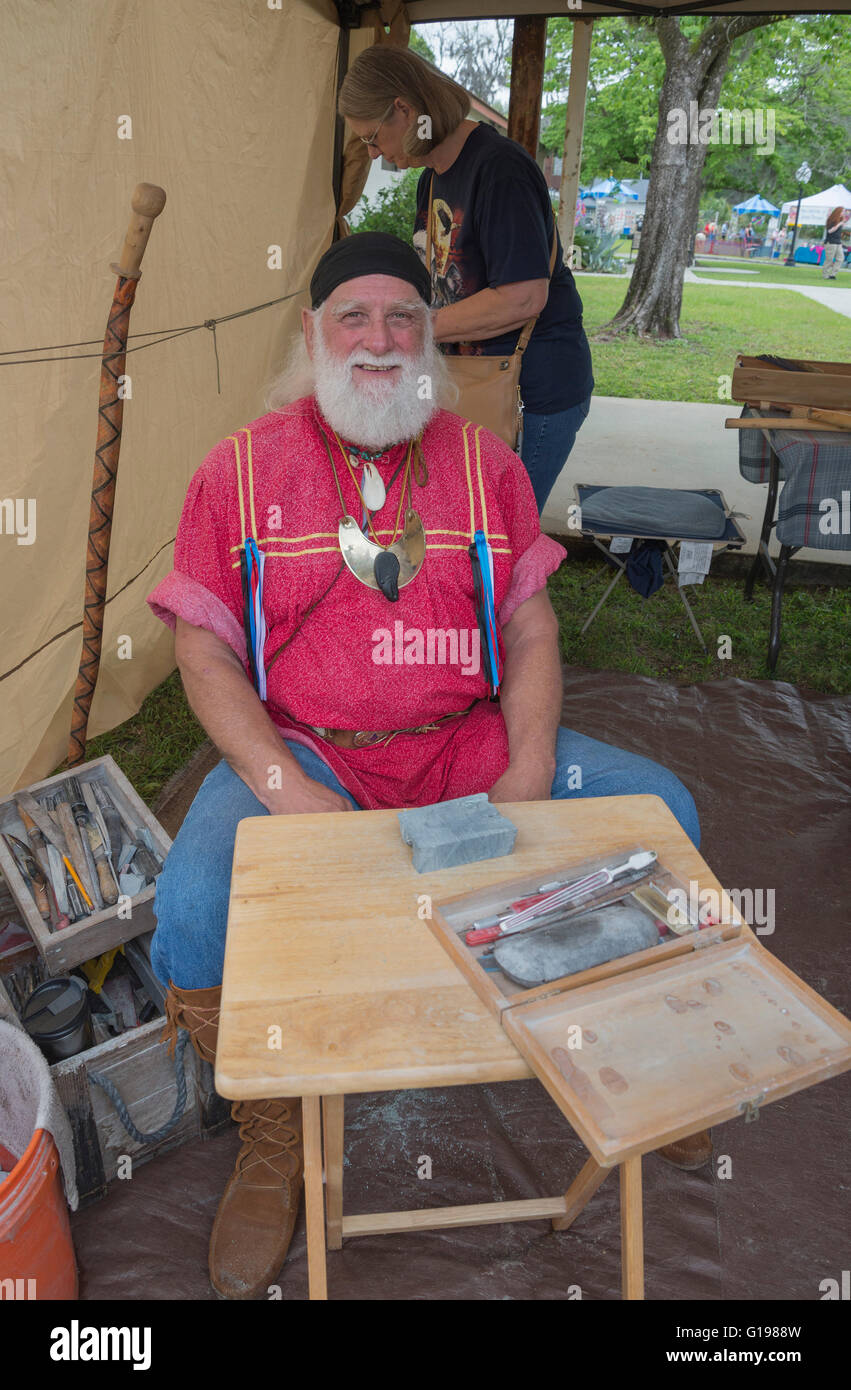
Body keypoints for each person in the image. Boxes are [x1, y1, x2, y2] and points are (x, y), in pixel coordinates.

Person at [145, 233, 703, 1300]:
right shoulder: (240, 469)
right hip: (307, 752)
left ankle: (631, 1058)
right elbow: (202, 646)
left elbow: (530, 626)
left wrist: (529, 759)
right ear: (312, 336)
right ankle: (272, 1137)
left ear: (428, 339)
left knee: (661, 811)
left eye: (402, 316)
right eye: (351, 317)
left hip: (466, 743)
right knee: (195, 898)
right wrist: (279, 786)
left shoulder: (484, 463)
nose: (378, 338)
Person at [338, 46, 594, 516]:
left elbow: (523, 296)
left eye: (373, 138)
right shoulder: (432, 177)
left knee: (502, 541)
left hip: (532, 393)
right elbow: (441, 281)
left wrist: (416, 328)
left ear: (405, 109)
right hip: (479, 383)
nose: (374, 155)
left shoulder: (500, 170)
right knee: (465, 531)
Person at [822, 207, 849, 279]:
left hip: (838, 242)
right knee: (829, 259)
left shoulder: (840, 220)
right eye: (842, 212)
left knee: (840, 258)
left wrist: (842, 222)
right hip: (830, 242)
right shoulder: (831, 220)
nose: (843, 213)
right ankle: (825, 275)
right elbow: (830, 231)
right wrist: (839, 224)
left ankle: (833, 274)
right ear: (838, 212)